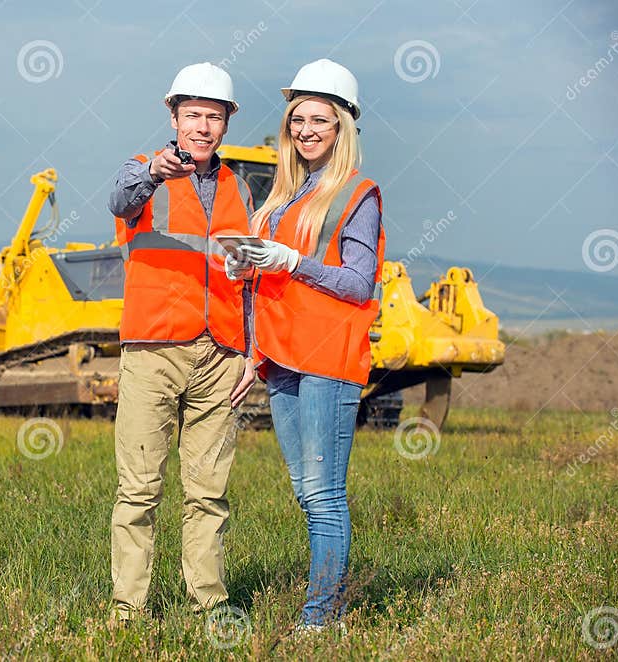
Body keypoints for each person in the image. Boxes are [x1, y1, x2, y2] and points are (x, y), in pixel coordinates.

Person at [227, 58, 385, 631]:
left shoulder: (356, 194)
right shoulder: (283, 197)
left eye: (320, 120)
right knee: (305, 491)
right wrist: (242, 268)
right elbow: (267, 284)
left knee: (323, 495)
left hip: (327, 360)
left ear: (342, 127)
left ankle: (322, 616)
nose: (306, 130)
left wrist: (295, 262)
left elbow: (359, 282)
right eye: (298, 120)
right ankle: (328, 602)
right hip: (283, 359)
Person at [107, 62, 257, 621]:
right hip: (153, 350)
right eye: (192, 114)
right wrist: (153, 171)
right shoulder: (143, 172)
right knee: (140, 490)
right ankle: (128, 610)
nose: (202, 125)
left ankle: (209, 606)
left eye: (212, 116)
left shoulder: (239, 186)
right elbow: (121, 202)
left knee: (209, 492)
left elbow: (246, 274)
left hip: (220, 354)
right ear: (173, 116)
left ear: (226, 124)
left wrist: (250, 351)